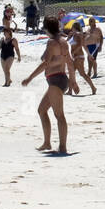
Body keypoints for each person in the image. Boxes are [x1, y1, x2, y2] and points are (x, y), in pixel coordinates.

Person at [21, 18, 75, 154]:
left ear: (46, 29)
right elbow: (69, 62)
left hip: (56, 80)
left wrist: (30, 78)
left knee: (59, 115)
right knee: (42, 110)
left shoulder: (52, 43)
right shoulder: (63, 42)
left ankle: (62, 147)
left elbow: (46, 63)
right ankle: (47, 143)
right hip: (60, 79)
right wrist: (73, 81)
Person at [67, 22, 96, 95]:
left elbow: (81, 45)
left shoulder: (78, 34)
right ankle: (70, 91)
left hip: (78, 56)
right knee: (72, 73)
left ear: (74, 27)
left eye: (72, 27)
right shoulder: (74, 35)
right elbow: (67, 42)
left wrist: (74, 52)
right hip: (76, 57)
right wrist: (69, 36)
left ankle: (93, 87)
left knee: (82, 74)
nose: (71, 28)